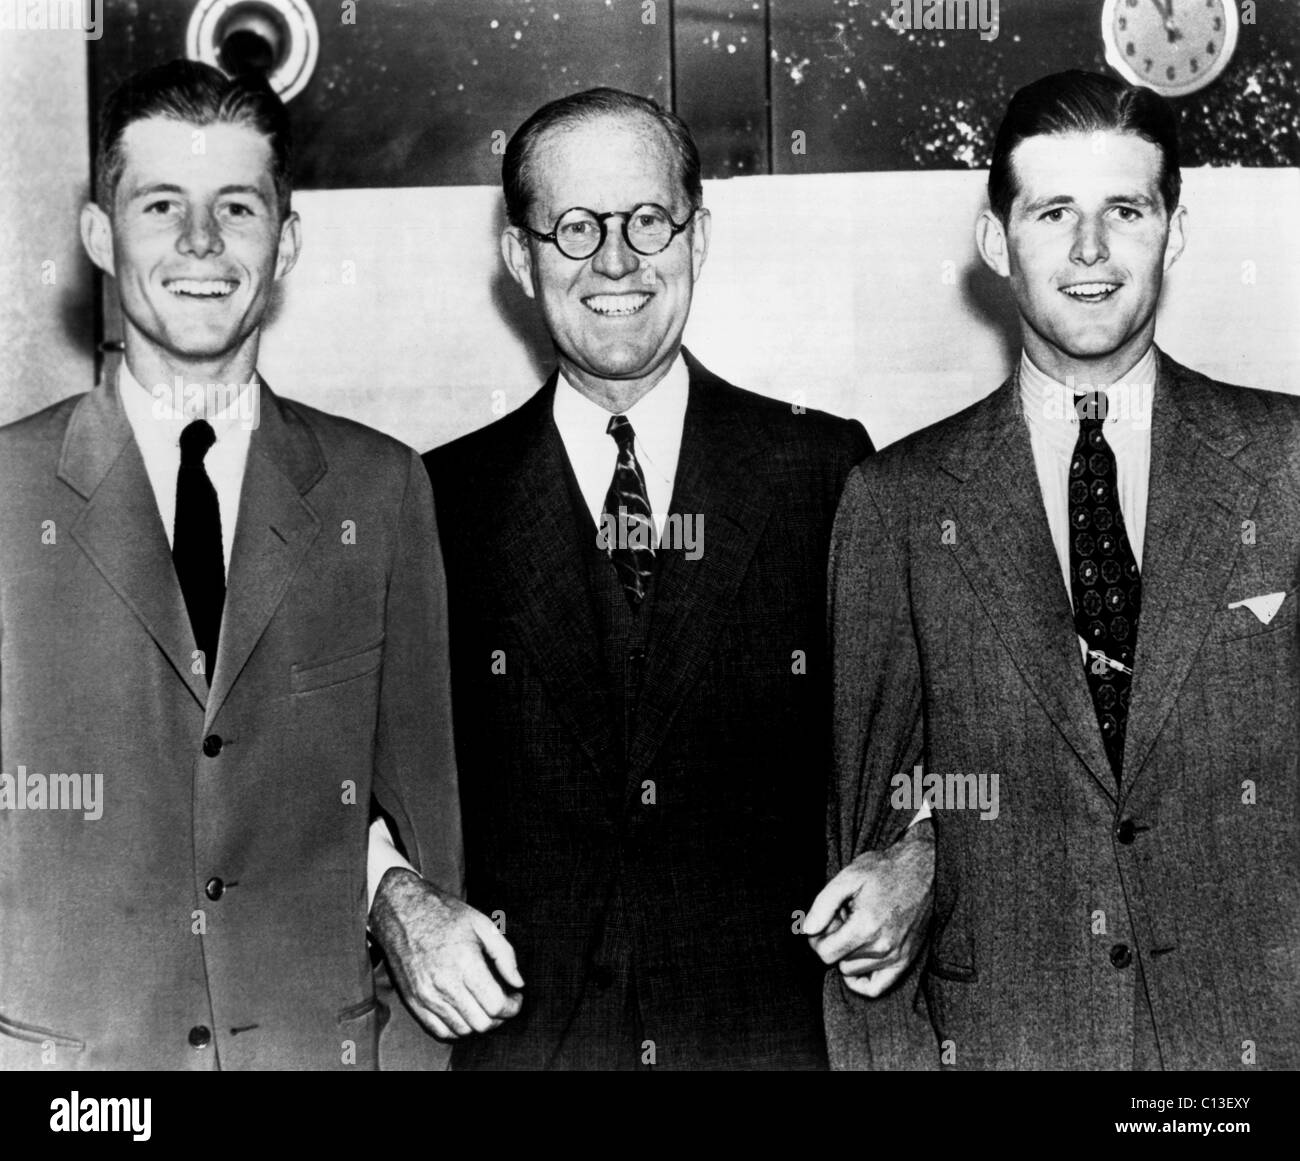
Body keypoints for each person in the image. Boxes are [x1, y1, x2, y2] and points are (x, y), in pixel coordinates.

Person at [0, 59, 519, 1070]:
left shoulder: (379, 490)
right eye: (161, 204)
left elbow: (428, 854)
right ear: (100, 236)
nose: (201, 242)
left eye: (236, 207)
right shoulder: (9, 494)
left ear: (285, 243)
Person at [812, 69, 1299, 1070]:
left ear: (1174, 231)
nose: (1089, 249)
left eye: (1125, 210)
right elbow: (869, 855)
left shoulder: (1287, 462)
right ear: (996, 242)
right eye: (1052, 213)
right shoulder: (898, 502)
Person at [425, 88, 879, 1070]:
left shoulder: (824, 470)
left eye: (646, 221)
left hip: (765, 1044)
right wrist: (393, 894)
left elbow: (914, 734)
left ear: (696, 238)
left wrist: (917, 849)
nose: (616, 262)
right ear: (520, 258)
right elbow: (356, 760)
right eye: (575, 228)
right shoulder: (438, 498)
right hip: (528, 1045)